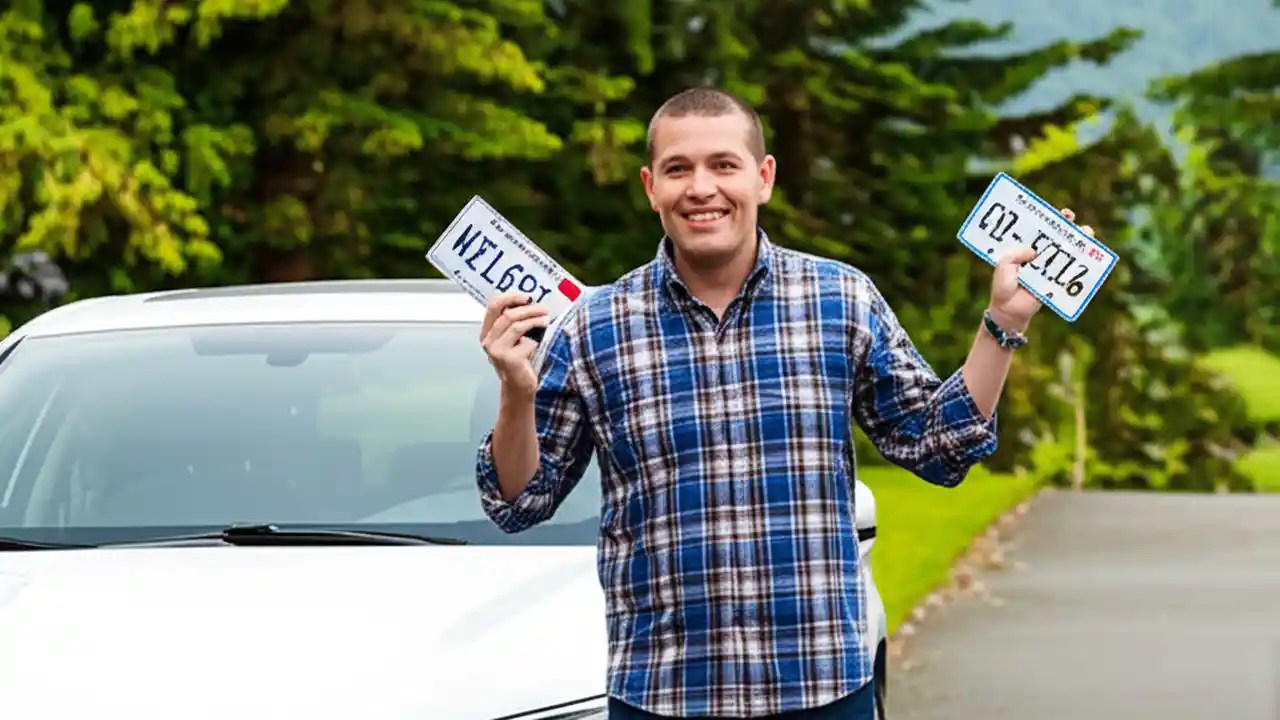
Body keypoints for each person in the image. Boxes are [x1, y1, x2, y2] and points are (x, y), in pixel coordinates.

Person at [474, 87, 1092, 719]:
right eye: (678, 169)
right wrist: (516, 393)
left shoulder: (841, 301)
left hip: (822, 689)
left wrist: (1002, 322)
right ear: (649, 186)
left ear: (763, 177)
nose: (701, 187)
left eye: (724, 165)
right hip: (662, 692)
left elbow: (937, 447)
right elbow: (520, 501)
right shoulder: (592, 328)